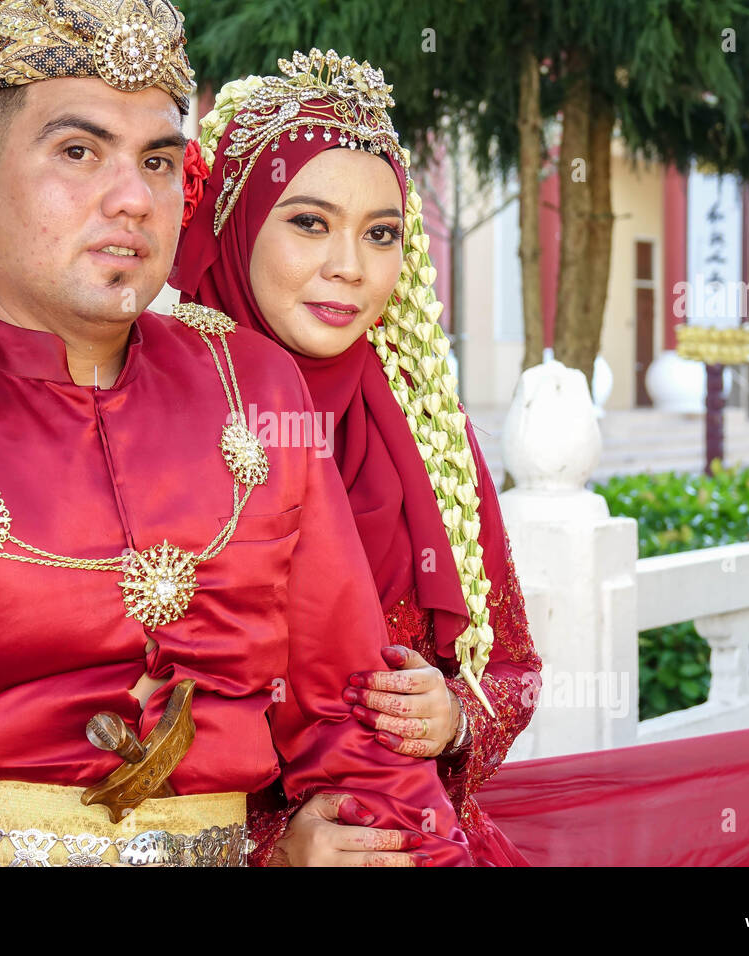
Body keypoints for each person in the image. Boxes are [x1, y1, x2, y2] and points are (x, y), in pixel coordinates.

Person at [0, 3, 472, 867]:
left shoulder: (256, 387)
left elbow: (358, 723)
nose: (131, 199)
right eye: (78, 152)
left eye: (157, 161)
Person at [172, 49, 543, 865]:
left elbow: (511, 668)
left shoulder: (423, 422)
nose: (350, 266)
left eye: (380, 235)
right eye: (310, 222)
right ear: (234, 225)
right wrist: (268, 846)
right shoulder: (156, 414)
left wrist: (453, 716)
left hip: (421, 842)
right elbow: (83, 719)